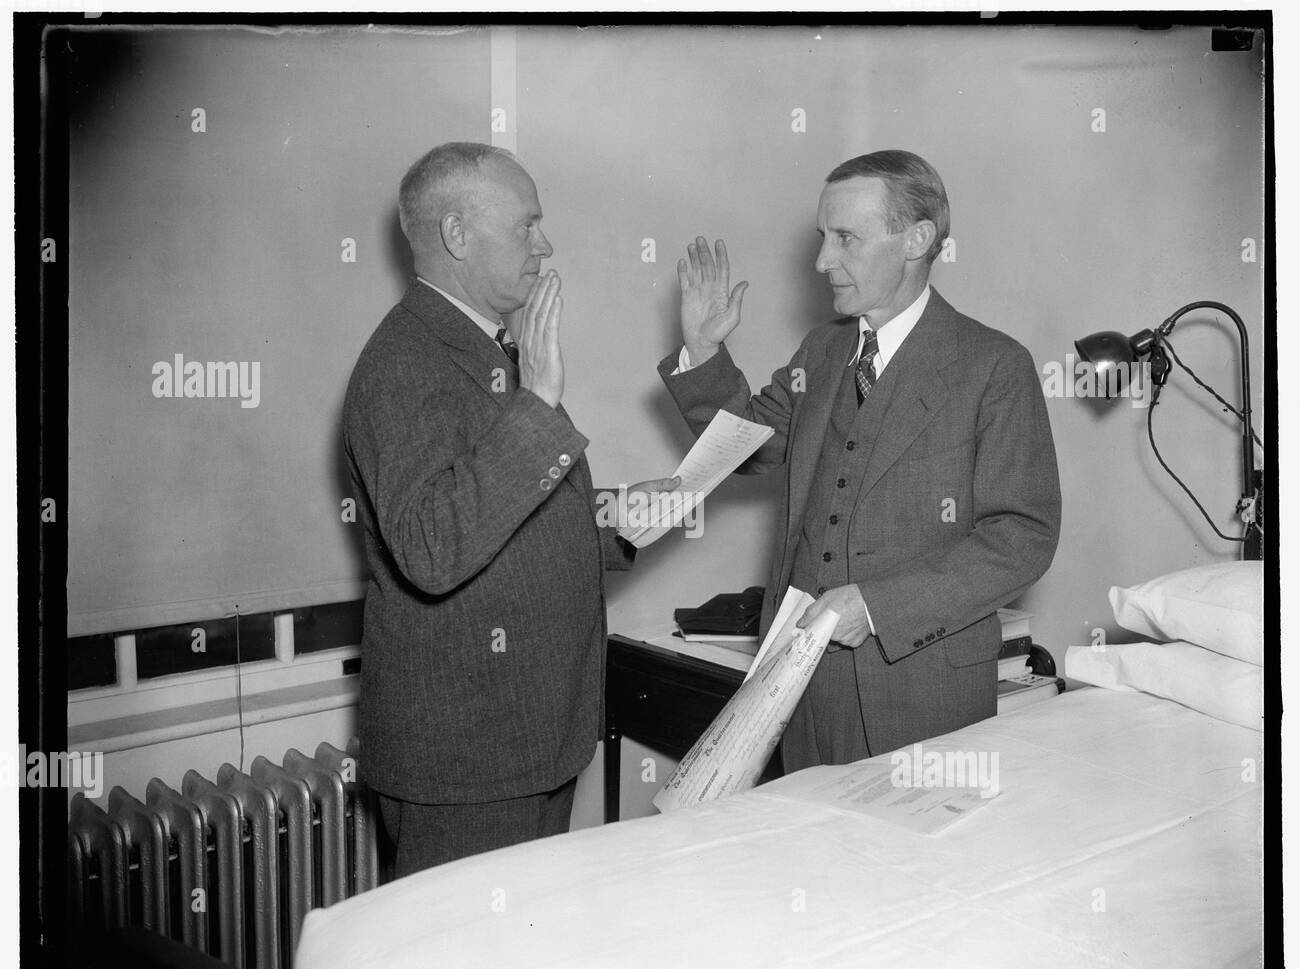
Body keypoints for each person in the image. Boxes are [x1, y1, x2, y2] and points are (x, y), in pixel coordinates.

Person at [659, 150, 1061, 770]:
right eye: (824, 238)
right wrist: (704, 351)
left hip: (923, 692)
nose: (822, 261)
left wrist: (876, 608)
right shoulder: (822, 350)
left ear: (917, 239)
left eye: (845, 238)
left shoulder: (993, 367)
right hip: (798, 687)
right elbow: (747, 450)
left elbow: (1021, 538)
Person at [344, 142, 676, 875]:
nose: (545, 244)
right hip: (469, 758)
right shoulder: (406, 363)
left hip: (523, 738)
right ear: (457, 236)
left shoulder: (482, 352)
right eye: (526, 226)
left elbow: (505, 519)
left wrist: (613, 522)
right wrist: (541, 402)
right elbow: (434, 547)